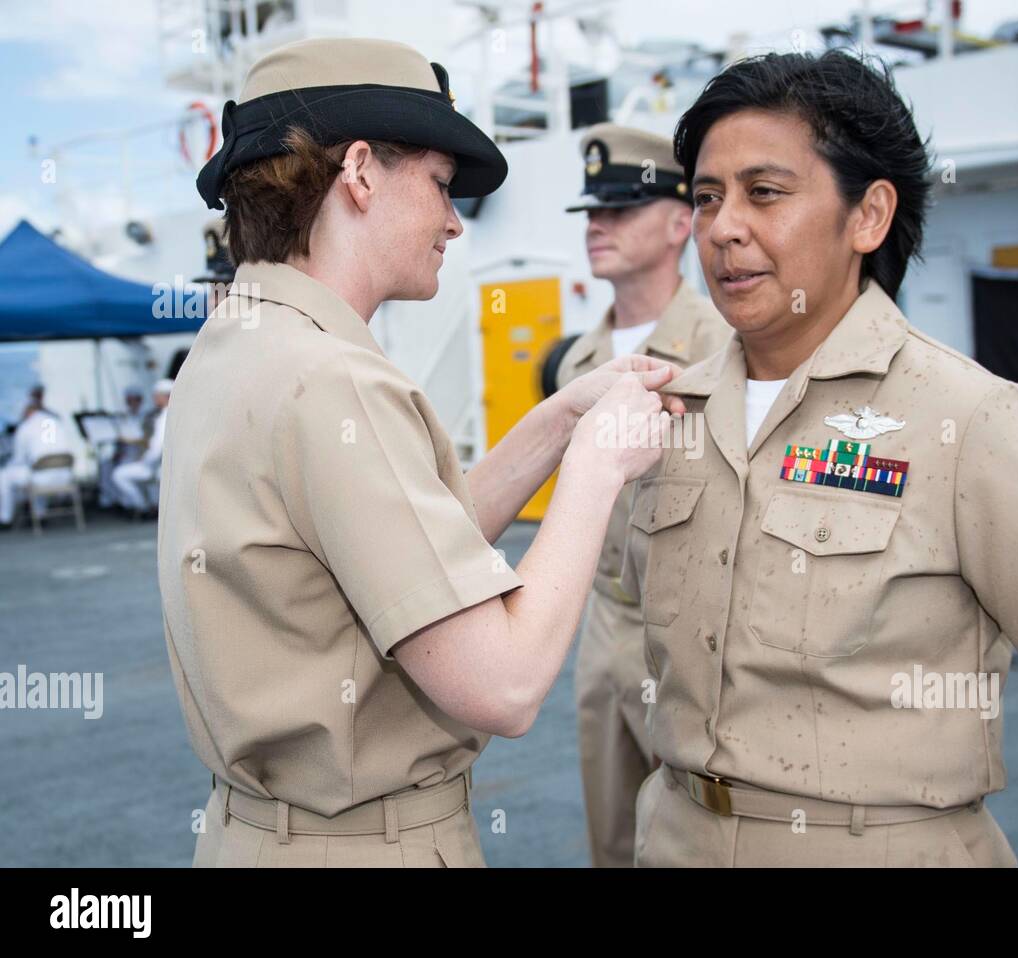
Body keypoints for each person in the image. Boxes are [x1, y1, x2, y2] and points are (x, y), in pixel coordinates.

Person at [621, 50, 1018, 867]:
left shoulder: (963, 416)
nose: (724, 228)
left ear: (869, 216)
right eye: (708, 198)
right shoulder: (672, 411)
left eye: (765, 193)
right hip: (676, 839)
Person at [163, 37, 682, 867]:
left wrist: (560, 418)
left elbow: (401, 560)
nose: (451, 221)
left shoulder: (238, 345)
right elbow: (504, 684)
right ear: (360, 172)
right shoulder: (333, 381)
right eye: (440, 185)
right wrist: (596, 465)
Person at [554, 123, 731, 867]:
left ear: (679, 222)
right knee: (612, 840)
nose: (598, 224)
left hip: (697, 635)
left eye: (621, 208)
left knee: (698, 842)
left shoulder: (727, 348)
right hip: (603, 626)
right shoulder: (578, 363)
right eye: (593, 211)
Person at [0, 402, 75, 528]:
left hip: (40, 477)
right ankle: (39, 514)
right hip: (65, 476)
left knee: (5, 475)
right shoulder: (56, 423)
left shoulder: (26, 427)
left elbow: (19, 459)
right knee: (34, 472)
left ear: (27, 412)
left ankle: (5, 518)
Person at [112, 379, 170, 515]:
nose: (154, 398)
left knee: (118, 475)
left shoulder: (164, 417)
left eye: (157, 395)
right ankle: (148, 505)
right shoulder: (162, 415)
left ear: (165, 396)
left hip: (155, 466)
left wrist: (144, 461)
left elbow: (157, 448)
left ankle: (142, 507)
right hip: (157, 464)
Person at [96, 387, 147, 509]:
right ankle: (111, 499)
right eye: (128, 401)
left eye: (133, 400)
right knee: (105, 466)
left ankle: (138, 505)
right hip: (125, 453)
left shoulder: (147, 417)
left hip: (139, 455)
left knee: (119, 474)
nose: (131, 403)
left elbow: (146, 440)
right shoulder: (124, 417)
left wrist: (127, 440)